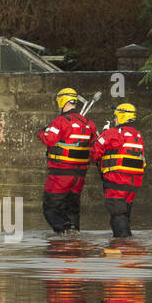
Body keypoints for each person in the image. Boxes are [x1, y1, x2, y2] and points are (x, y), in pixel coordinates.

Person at [37, 88, 96, 233]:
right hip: (79, 175)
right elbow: (96, 146)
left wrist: (41, 132)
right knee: (72, 208)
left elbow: (49, 139)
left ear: (62, 101)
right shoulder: (89, 124)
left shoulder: (60, 121)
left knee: (50, 207)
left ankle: (65, 232)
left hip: (61, 174)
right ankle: (74, 238)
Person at [90, 102, 146, 238]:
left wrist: (102, 135)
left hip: (117, 182)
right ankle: (127, 247)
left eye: (115, 117)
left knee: (118, 215)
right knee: (124, 215)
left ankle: (123, 246)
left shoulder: (111, 133)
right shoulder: (137, 135)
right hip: (133, 184)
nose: (114, 120)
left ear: (121, 117)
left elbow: (94, 153)